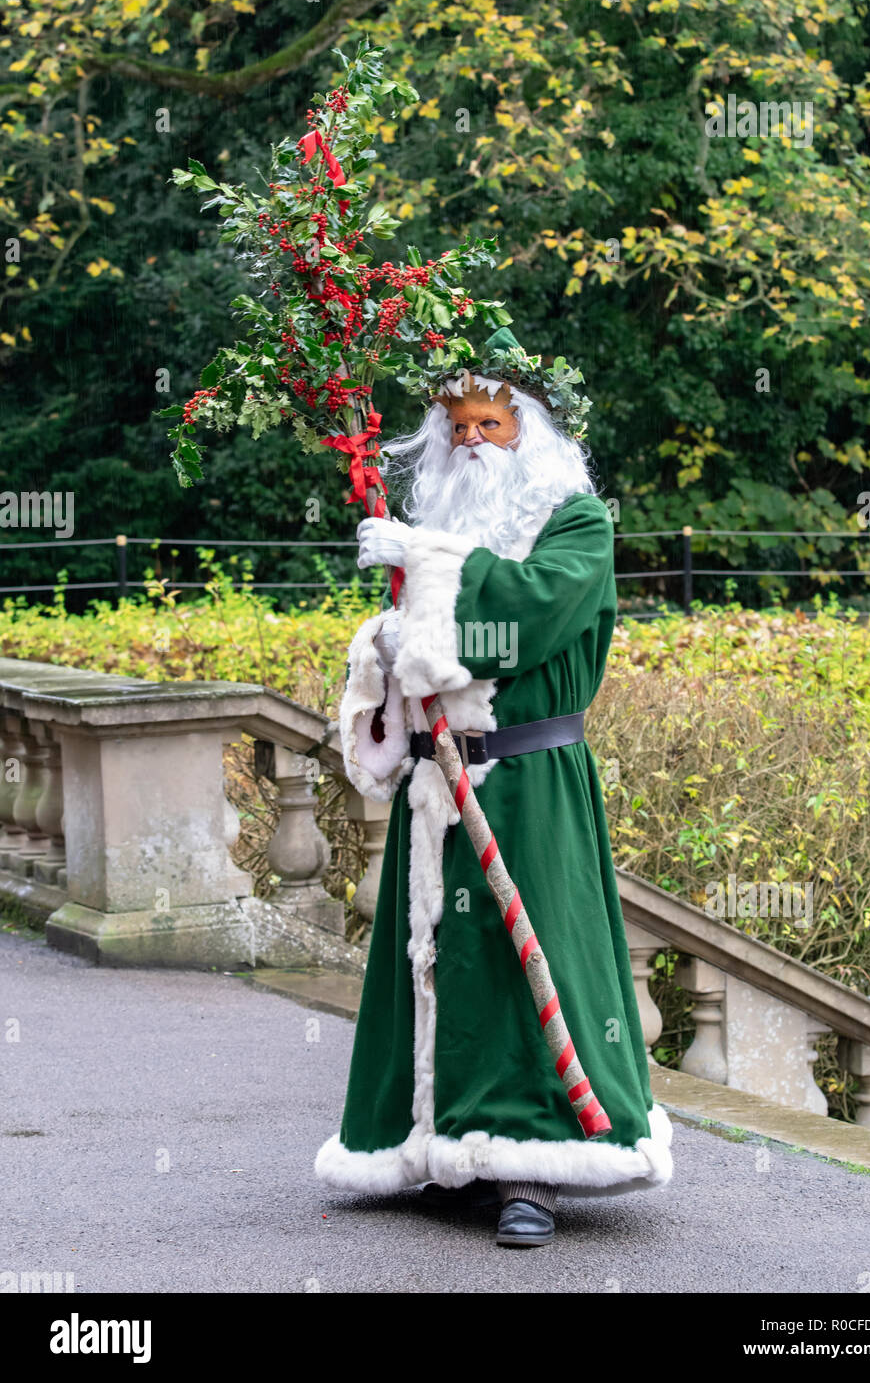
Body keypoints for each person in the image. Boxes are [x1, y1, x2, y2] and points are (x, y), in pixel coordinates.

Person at [314, 332, 673, 1246]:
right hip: (438, 780)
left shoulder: (578, 523)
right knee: (440, 960)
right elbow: (420, 642)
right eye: (459, 425)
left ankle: (533, 1168)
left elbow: (527, 612)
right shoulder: (435, 537)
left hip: (530, 777)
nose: (474, 440)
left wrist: (429, 570)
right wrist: (386, 645)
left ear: (531, 433)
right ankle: (444, 1144)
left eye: (493, 423)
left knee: (528, 962)